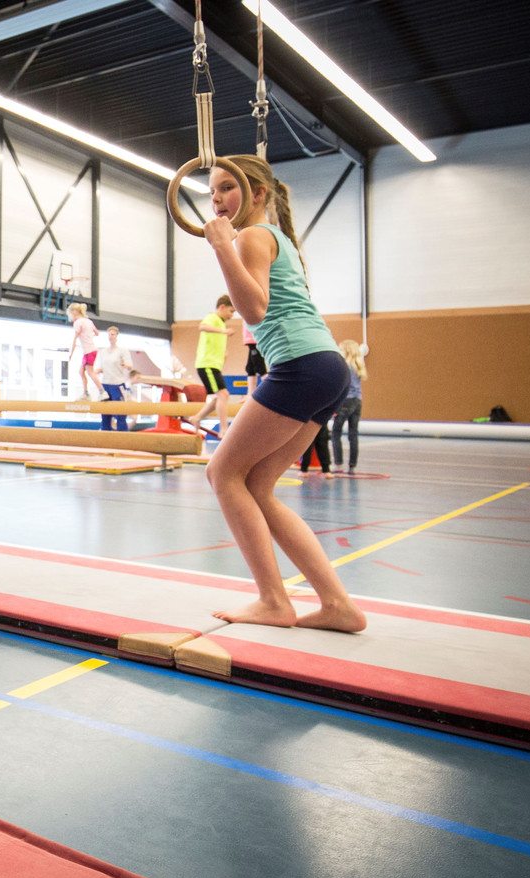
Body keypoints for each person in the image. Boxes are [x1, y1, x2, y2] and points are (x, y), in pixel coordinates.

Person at [199, 153, 367, 633]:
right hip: (327, 368)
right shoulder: (278, 241)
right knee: (257, 486)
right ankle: (338, 605)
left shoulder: (253, 235)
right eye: (212, 192)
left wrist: (221, 248)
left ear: (258, 195)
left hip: (302, 366)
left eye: (228, 188)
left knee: (222, 472)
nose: (217, 199)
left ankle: (274, 600)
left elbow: (252, 308)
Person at [185, 295, 236, 437]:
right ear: (222, 307)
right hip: (206, 364)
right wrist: (223, 332)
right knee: (223, 394)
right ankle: (224, 428)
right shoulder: (213, 318)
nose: (232, 315)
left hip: (213, 365)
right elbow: (202, 327)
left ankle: (196, 418)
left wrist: (224, 354)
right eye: (231, 311)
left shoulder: (221, 323)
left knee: (220, 397)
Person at [331, 339, 366, 474]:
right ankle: (352, 466)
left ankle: (338, 463)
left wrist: (334, 407)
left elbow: (342, 387)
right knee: (353, 434)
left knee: (336, 433)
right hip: (358, 401)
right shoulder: (358, 366)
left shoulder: (344, 366)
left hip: (346, 401)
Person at [95, 326, 133, 431]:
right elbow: (101, 367)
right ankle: (105, 434)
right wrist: (98, 370)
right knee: (105, 414)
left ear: (117, 336)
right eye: (109, 334)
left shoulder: (122, 351)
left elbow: (130, 365)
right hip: (105, 384)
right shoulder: (102, 352)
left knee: (120, 414)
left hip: (117, 384)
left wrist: (126, 365)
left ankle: (122, 437)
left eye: (112, 334)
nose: (110, 336)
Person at [66, 302, 106, 400]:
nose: (71, 318)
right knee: (81, 371)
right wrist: (88, 337)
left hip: (89, 351)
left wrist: (71, 353)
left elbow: (75, 339)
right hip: (91, 350)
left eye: (70, 315)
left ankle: (102, 391)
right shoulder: (88, 321)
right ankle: (86, 393)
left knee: (90, 372)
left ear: (74, 313)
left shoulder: (78, 323)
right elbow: (97, 333)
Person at [242, 319, 267, 396]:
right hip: (251, 341)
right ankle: (250, 395)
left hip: (255, 340)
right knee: (250, 368)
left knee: (260, 368)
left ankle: (274, 393)